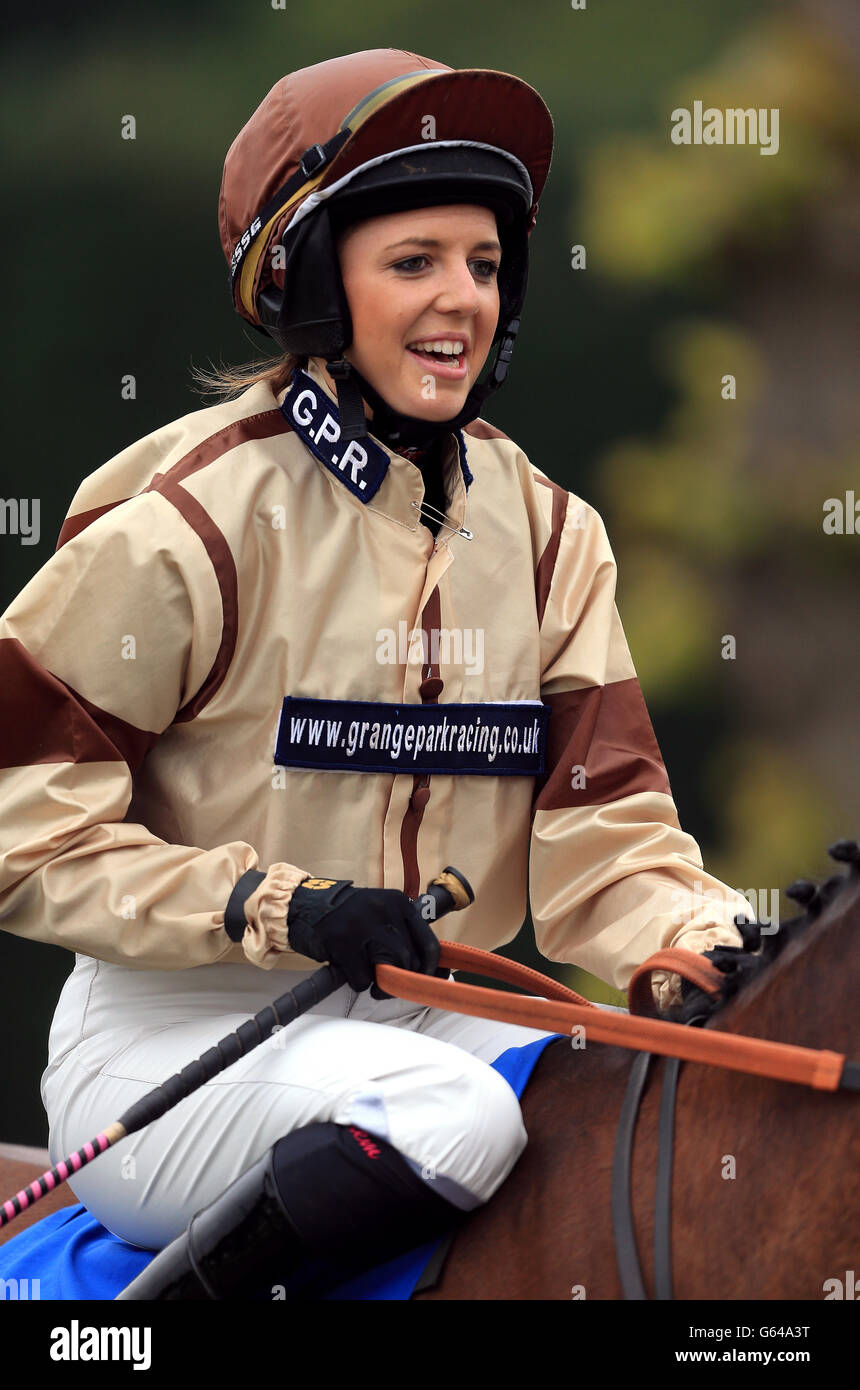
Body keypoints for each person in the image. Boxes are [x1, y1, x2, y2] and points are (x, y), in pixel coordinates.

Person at [0, 48, 753, 1299]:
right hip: (173, 1046)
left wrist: (709, 941)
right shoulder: (181, 526)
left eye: (484, 265)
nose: (462, 299)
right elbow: (20, 824)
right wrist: (279, 906)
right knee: (458, 1118)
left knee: (630, 1110)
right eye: (413, 262)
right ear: (305, 285)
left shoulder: (554, 535)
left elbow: (606, 841)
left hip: (429, 1021)